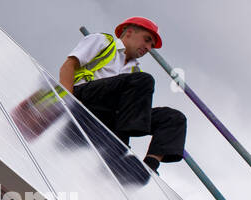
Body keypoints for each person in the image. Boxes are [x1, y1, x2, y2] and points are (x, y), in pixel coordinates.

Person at [58, 17, 186, 176]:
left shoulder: (134, 72)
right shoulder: (103, 41)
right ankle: (119, 147)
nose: (148, 48)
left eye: (151, 45)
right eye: (146, 40)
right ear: (130, 32)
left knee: (174, 118)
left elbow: (130, 109)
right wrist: (67, 102)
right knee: (143, 80)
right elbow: (68, 66)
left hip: (110, 113)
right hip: (85, 98)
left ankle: (149, 167)